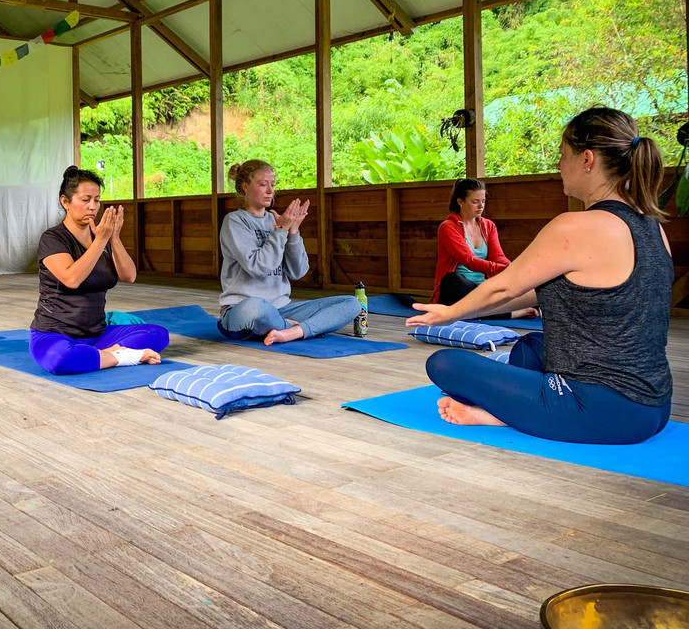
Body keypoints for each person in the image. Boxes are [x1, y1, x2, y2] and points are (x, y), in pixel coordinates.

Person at [407, 108, 673, 444]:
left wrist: (449, 314)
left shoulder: (575, 226)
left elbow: (503, 288)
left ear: (587, 159)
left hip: (600, 408)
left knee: (445, 364)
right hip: (655, 405)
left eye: (563, 155)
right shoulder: (652, 226)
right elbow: (537, 291)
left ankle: (506, 414)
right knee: (530, 348)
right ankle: (520, 411)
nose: (559, 165)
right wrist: (469, 309)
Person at [29, 166, 169, 374]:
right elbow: (72, 279)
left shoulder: (101, 237)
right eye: (85, 200)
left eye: (96, 200)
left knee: (158, 334)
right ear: (65, 202)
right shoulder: (53, 238)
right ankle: (120, 356)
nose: (92, 207)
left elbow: (129, 276)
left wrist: (114, 238)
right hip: (54, 334)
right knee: (59, 359)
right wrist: (101, 239)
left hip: (97, 334)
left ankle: (99, 355)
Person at [218, 159, 361, 346]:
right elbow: (258, 268)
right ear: (245, 187)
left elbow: (297, 271)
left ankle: (291, 332)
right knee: (256, 307)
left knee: (351, 303)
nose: (270, 191)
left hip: (281, 309)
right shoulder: (235, 221)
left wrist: (293, 232)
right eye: (263, 184)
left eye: (272, 185)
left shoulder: (276, 221)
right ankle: (293, 327)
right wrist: (281, 231)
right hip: (243, 311)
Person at [432, 178, 537, 320]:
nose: (481, 206)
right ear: (460, 201)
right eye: (475, 202)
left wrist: (513, 269)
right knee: (452, 279)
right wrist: (504, 269)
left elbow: (498, 257)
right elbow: (469, 261)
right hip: (459, 290)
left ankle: (492, 307)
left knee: (532, 286)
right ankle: (512, 312)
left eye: (483, 201)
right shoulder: (448, 227)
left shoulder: (489, 226)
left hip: (483, 289)